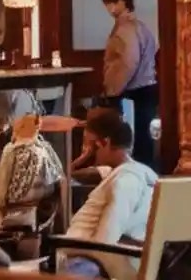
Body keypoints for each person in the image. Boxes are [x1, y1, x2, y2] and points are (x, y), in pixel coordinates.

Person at [60, 109, 157, 278]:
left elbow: (105, 242)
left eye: (89, 144)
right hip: (87, 258)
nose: (85, 150)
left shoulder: (126, 180)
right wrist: (83, 158)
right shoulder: (139, 173)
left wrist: (64, 246)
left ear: (104, 142)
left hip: (90, 263)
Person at [100, 0, 159, 169]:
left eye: (114, 2)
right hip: (146, 86)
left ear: (125, 2)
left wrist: (113, 90)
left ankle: (139, 176)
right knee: (144, 137)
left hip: (133, 89)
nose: (110, 7)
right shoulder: (140, 26)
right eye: (107, 3)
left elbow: (127, 62)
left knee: (134, 139)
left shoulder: (125, 29)